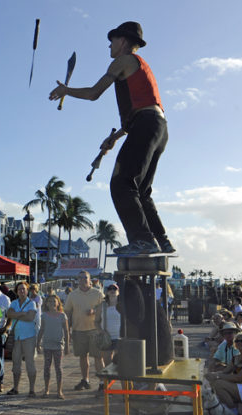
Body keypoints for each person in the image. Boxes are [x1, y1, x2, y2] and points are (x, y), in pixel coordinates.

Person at [49, 21, 174, 255]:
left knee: (121, 183)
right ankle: (162, 241)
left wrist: (67, 91)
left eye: (113, 39)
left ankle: (143, 241)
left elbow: (94, 93)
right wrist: (117, 136)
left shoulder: (123, 60)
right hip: (158, 127)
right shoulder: (140, 66)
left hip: (146, 125)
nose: (109, 44)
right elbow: (143, 106)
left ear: (124, 41)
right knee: (141, 190)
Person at [64, 271, 104, 391]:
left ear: (90, 279)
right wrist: (68, 330)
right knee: (82, 356)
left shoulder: (98, 293)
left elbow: (105, 309)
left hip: (95, 331)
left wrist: (95, 311)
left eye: (85, 278)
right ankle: (85, 380)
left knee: (98, 357)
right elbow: (67, 312)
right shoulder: (72, 295)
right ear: (77, 280)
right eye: (80, 278)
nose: (83, 280)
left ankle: (102, 382)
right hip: (78, 330)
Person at [6, 282, 38, 397]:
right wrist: (22, 314)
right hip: (17, 337)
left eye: (24, 289)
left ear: (27, 290)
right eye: (19, 289)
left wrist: (16, 314)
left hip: (29, 336)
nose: (22, 291)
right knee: (16, 364)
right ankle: (15, 387)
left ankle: (32, 389)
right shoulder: (14, 302)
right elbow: (9, 314)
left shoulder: (32, 303)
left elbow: (30, 317)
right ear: (16, 291)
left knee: (30, 363)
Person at [38, 295, 70, 399]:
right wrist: (38, 343)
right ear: (46, 303)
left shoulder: (62, 315)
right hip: (47, 345)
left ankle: (59, 391)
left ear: (58, 303)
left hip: (58, 346)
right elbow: (41, 329)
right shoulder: (44, 315)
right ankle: (46, 390)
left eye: (54, 301)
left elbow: (66, 331)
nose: (52, 303)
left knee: (58, 368)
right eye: (50, 301)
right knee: (46, 368)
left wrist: (67, 346)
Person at [95, 283, 121, 374]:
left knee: (121, 363)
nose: (112, 290)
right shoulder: (102, 306)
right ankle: (108, 385)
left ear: (118, 292)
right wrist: (100, 331)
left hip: (120, 337)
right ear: (107, 292)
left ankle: (125, 387)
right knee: (108, 364)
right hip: (107, 338)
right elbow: (96, 321)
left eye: (115, 289)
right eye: (110, 289)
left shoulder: (122, 305)